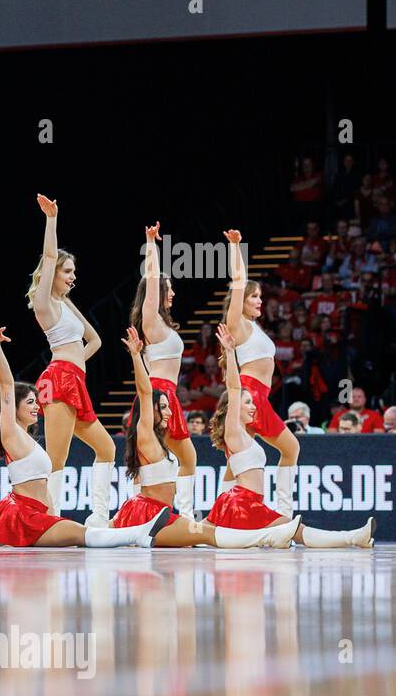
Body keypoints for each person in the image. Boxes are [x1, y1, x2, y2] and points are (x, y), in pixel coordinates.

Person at [0, 327, 168, 549]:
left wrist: (51, 514)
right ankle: (139, 533)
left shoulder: (30, 440)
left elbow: (44, 487)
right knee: (82, 534)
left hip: (31, 516)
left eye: (36, 401)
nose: (37, 406)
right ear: (14, 407)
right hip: (20, 515)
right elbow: (6, 385)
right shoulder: (11, 431)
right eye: (30, 402)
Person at [114, 326, 288, 548]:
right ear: (152, 410)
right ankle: (267, 537)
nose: (170, 412)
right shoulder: (145, 431)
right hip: (148, 514)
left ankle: (266, 535)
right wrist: (137, 357)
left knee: (202, 531)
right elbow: (145, 392)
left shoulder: (161, 443)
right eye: (164, 407)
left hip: (160, 516)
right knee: (204, 533)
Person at [207, 323, 373, 548]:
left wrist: (219, 511)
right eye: (248, 403)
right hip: (244, 505)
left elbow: (229, 476)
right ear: (234, 408)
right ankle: (353, 537)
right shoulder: (234, 430)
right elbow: (234, 389)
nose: (253, 407)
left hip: (248, 504)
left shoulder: (245, 436)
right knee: (296, 530)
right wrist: (229, 351)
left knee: (288, 533)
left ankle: (351, 537)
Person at [28, 194, 117, 525]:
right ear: (52, 273)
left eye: (74, 271)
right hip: (59, 379)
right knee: (57, 458)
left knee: (106, 449)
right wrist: (51, 219)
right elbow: (49, 256)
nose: (72, 276)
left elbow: (94, 340)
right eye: (67, 271)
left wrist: (78, 359)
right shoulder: (45, 303)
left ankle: (99, 518)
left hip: (75, 380)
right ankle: (49, 519)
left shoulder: (66, 303)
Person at [222, 228, 298, 515]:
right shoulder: (237, 323)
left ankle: (222, 513)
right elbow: (238, 281)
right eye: (254, 297)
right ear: (241, 301)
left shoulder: (253, 327)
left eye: (260, 296)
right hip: (250, 393)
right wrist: (236, 248)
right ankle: (284, 514)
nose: (259, 300)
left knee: (237, 460)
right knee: (290, 450)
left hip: (251, 395)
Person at [130, 222, 196, 519]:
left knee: (167, 458)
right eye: (168, 289)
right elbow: (152, 276)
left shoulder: (162, 325)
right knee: (180, 458)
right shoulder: (152, 322)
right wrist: (151, 243)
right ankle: (180, 516)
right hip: (158, 394)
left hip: (163, 394)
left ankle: (171, 513)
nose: (173, 293)